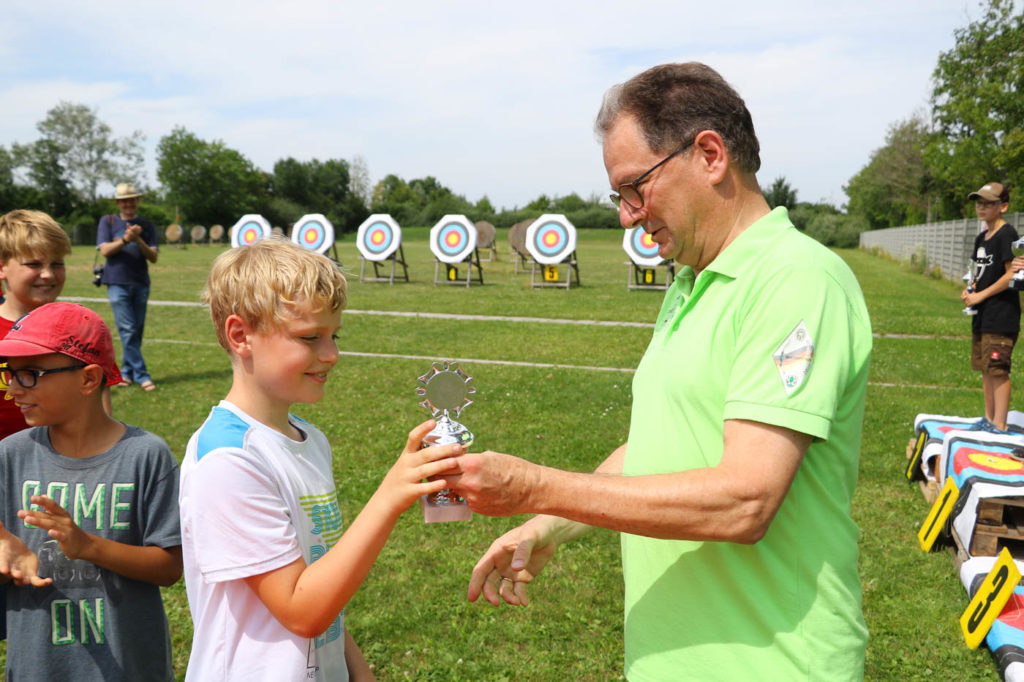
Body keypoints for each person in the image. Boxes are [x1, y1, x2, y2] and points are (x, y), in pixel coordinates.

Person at [447, 62, 872, 680]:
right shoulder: (692, 282)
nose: (626, 215)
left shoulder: (796, 278)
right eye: (618, 195)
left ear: (708, 154)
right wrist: (545, 528)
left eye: (635, 187)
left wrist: (537, 486)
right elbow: (657, 445)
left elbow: (746, 500)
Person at [178, 238, 463, 681]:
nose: (331, 354)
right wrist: (388, 498)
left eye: (334, 335)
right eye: (309, 337)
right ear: (240, 336)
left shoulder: (309, 439)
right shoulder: (228, 460)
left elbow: (320, 586)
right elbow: (301, 609)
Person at [0, 302, 181, 681]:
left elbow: (170, 567)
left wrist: (89, 547)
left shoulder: (145, 455)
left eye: (29, 374)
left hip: (129, 668)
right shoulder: (10, 455)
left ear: (88, 379)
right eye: (9, 374)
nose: (12, 388)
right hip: (37, 668)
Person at [0, 209, 73, 642]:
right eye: (33, 263)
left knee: (48, 632)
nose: (48, 274)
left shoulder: (77, 334)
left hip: (53, 505)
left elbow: (96, 425)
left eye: (57, 262)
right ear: (2, 267)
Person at [962, 182, 1018, 433]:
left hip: (1002, 315)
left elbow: (1011, 276)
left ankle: (1000, 424)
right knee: (985, 369)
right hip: (983, 314)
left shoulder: (1007, 235)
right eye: (979, 203)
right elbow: (979, 272)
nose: (981, 207)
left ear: (1003, 206)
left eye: (988, 203)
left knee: (998, 370)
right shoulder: (981, 237)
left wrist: (981, 295)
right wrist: (971, 289)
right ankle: (988, 419)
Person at [96, 182, 159, 391]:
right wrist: (125, 239)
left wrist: (138, 239)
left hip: (140, 283)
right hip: (116, 283)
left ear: (137, 201)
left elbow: (153, 256)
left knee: (135, 333)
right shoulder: (108, 221)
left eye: (131, 199)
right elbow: (105, 250)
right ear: (118, 203)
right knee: (128, 329)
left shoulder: (147, 225)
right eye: (124, 200)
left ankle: (126, 373)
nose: (128, 204)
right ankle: (142, 375)